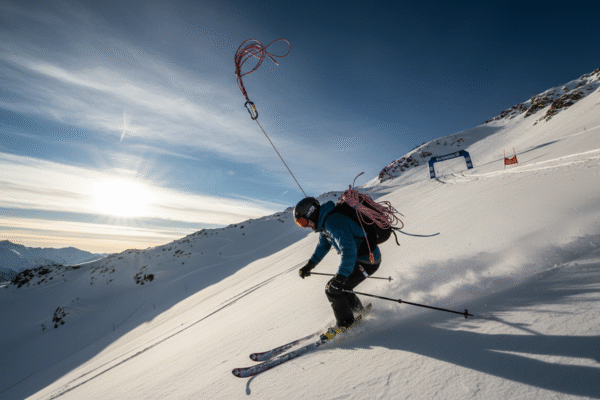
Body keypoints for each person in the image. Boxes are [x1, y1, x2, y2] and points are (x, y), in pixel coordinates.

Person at [294, 196, 381, 340]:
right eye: (300, 224)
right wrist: (309, 265)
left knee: (333, 289)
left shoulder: (333, 223)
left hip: (368, 261)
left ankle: (346, 323)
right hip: (361, 259)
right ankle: (358, 311)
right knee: (342, 287)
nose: (305, 226)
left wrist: (341, 277)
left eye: (303, 221)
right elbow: (322, 247)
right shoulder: (325, 223)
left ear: (311, 213)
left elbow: (348, 250)